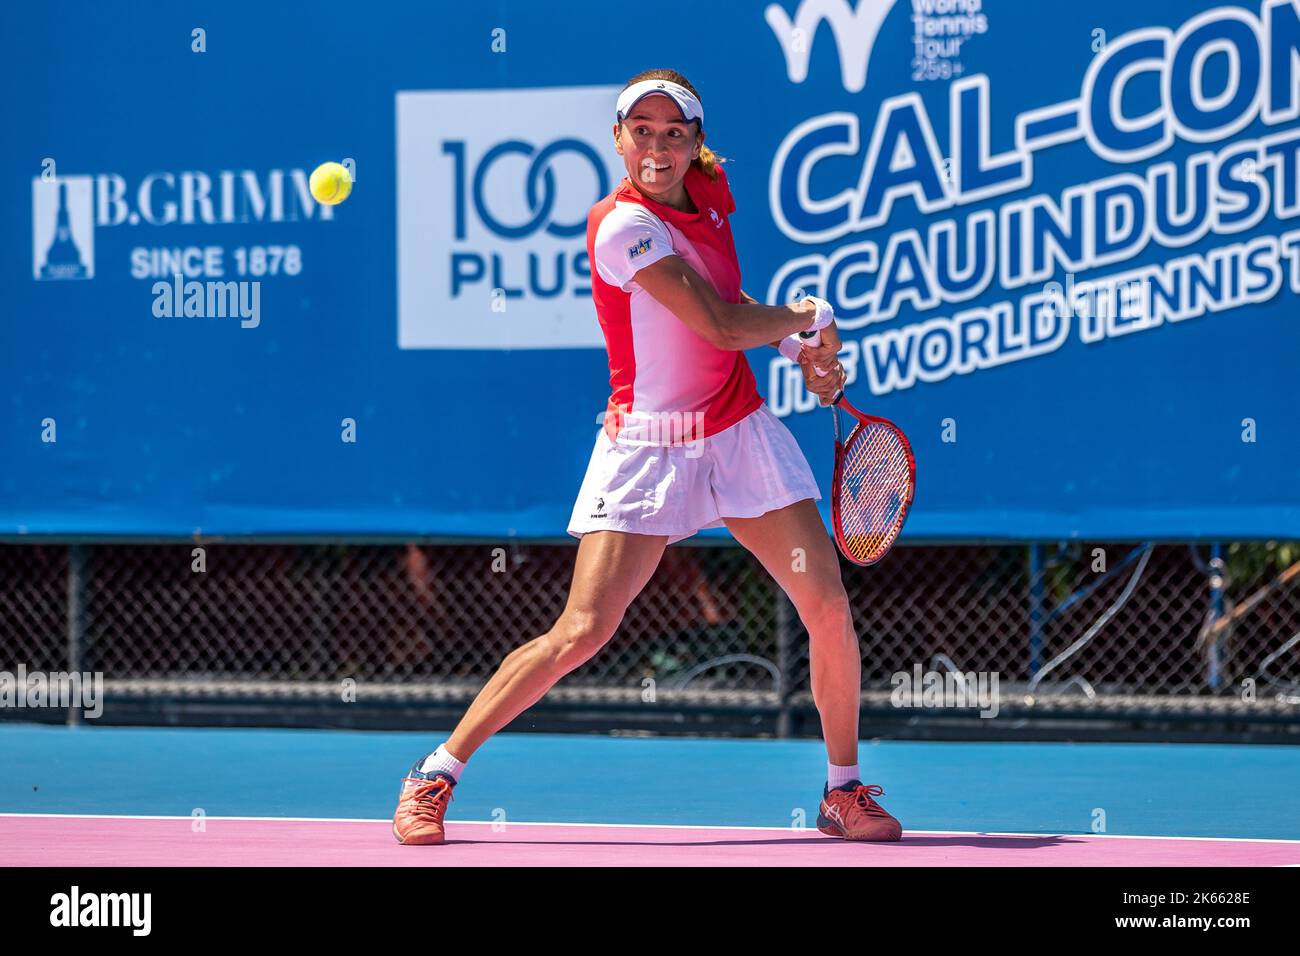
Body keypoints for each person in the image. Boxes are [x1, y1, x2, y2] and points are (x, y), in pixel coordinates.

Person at [392, 69, 902, 845]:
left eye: (675, 132)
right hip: (649, 447)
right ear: (618, 139)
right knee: (583, 630)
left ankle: (841, 790)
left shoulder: (712, 196)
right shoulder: (621, 226)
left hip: (738, 435)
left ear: (697, 143)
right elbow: (722, 327)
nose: (657, 147)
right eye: (642, 131)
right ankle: (435, 773)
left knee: (827, 606)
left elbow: (732, 316)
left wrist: (803, 348)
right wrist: (808, 317)